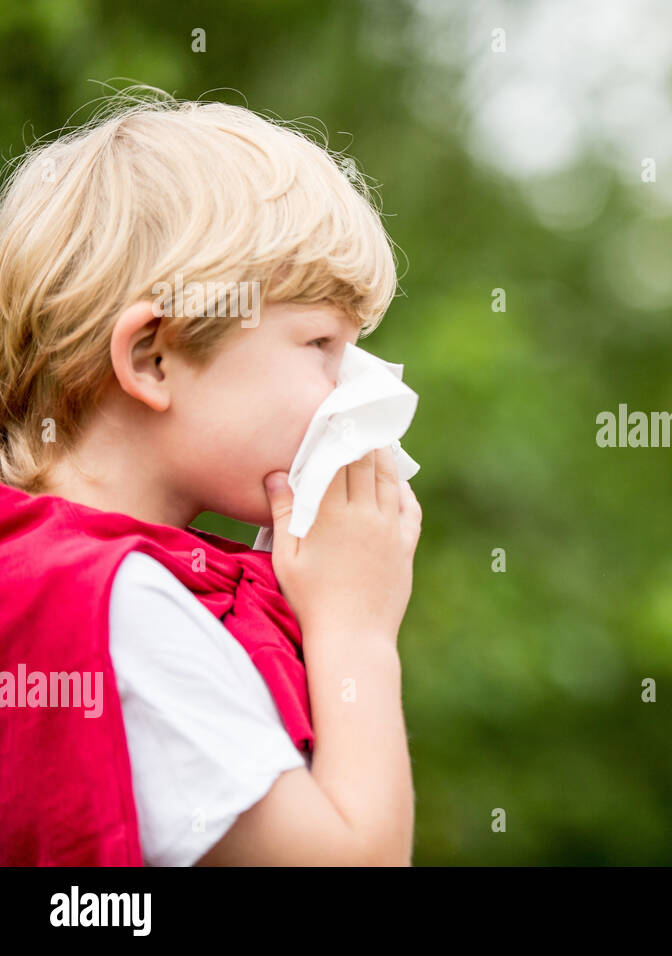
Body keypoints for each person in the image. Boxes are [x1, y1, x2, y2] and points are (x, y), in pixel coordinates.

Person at [0, 87, 421, 865]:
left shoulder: (57, 574)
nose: (358, 389)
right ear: (154, 358)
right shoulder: (120, 608)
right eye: (321, 344)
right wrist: (356, 629)